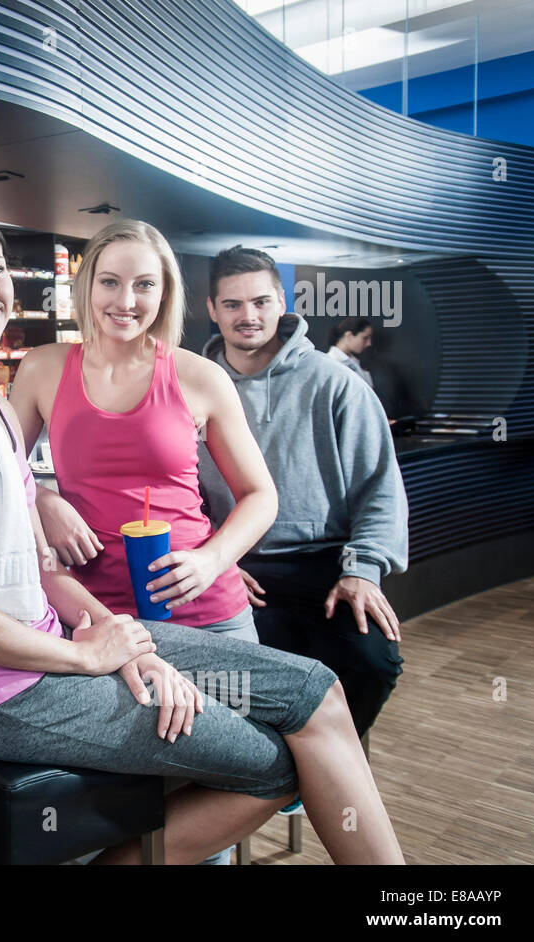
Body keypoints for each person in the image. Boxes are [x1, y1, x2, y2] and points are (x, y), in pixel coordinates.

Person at [0, 208, 405, 864]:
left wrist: (160, 610)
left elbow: (20, 538)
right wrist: (93, 642)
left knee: (318, 692)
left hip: (142, 623)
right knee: (267, 762)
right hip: (32, 668)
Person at [9, 221, 275, 649]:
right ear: (88, 286)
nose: (126, 301)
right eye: (110, 282)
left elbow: (261, 495)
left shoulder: (201, 377)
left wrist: (211, 561)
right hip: (94, 614)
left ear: (164, 292)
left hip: (206, 609)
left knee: (243, 716)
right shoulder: (42, 367)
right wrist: (43, 497)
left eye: (144, 285)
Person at [199, 246, 407, 743]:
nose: (248, 316)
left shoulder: (337, 384)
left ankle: (316, 771)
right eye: (232, 305)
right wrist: (217, 558)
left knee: (373, 664)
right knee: (238, 683)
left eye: (260, 302)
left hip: (327, 565)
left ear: (282, 302)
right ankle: (283, 777)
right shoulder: (191, 388)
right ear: (211, 308)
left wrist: (363, 571)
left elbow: (379, 488)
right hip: (237, 567)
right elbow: (176, 491)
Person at [327, 317, 375, 388]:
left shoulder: (355, 362)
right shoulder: (330, 363)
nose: (369, 343)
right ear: (349, 335)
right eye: (365, 338)